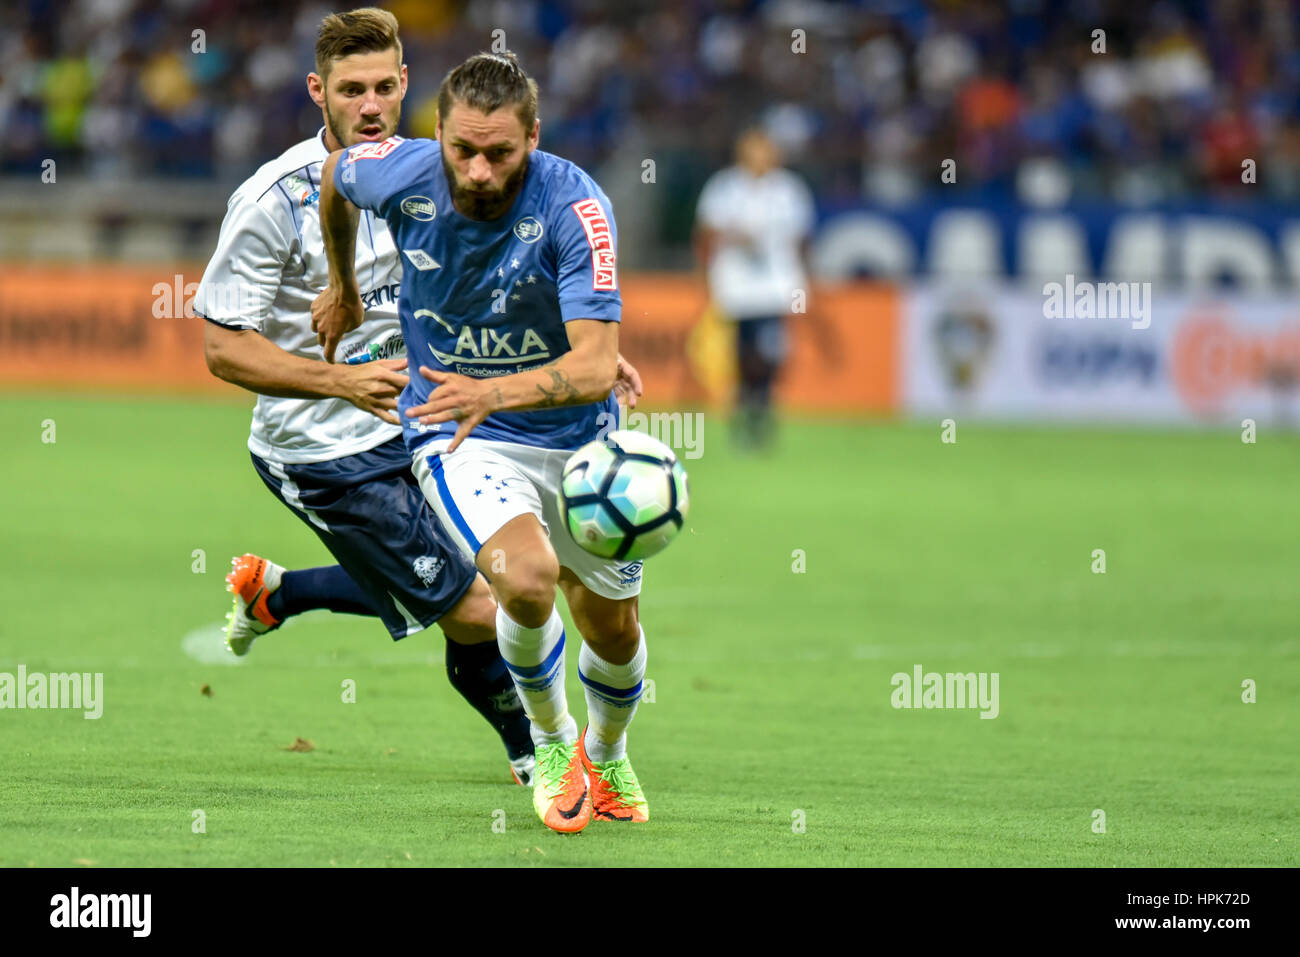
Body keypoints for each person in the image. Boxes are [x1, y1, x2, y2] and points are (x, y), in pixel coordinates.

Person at [195, 8, 547, 785]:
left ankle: (276, 592)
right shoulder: (273, 202)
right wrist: (342, 380)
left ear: (406, 86)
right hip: (321, 451)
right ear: (318, 91)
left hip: (419, 419)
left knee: (502, 563)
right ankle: (537, 755)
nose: (370, 105)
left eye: (384, 87)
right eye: (351, 89)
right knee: (477, 607)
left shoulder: (438, 171)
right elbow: (222, 346)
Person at [312, 51, 653, 833]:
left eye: (500, 152)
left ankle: (608, 751)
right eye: (461, 148)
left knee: (613, 625)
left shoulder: (578, 207)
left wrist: (496, 386)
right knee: (526, 581)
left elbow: (598, 366)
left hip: (576, 442)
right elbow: (335, 177)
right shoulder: (395, 171)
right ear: (437, 132)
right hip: (460, 433)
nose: (478, 169)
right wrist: (346, 286)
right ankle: (555, 742)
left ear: (533, 137)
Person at [694, 127, 816, 448]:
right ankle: (748, 404)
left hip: (776, 284)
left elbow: (803, 237)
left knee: (771, 348)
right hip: (736, 283)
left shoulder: (789, 189)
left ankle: (760, 402)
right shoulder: (725, 187)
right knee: (743, 350)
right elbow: (706, 231)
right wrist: (729, 241)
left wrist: (805, 276)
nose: (760, 158)